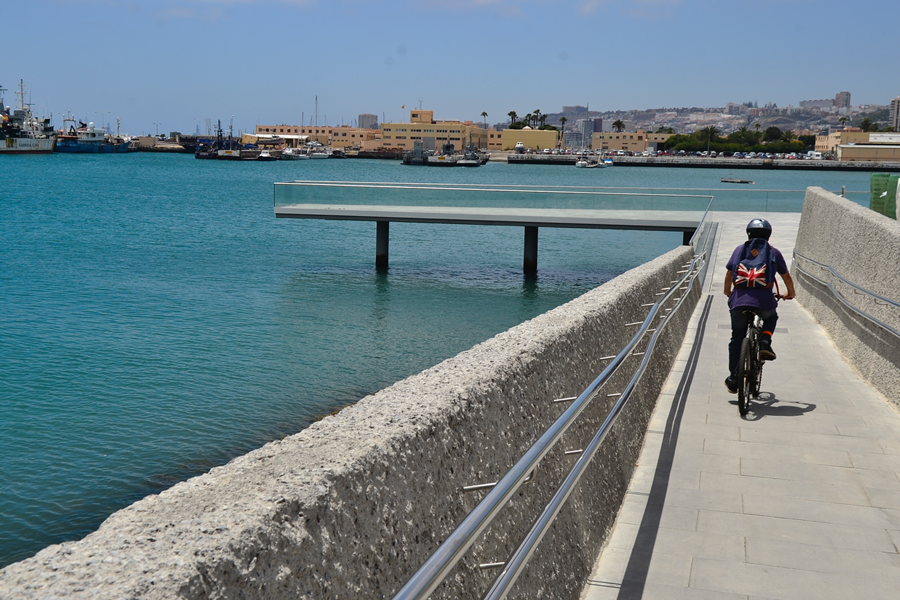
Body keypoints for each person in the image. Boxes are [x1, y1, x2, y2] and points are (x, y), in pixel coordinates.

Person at [724, 218, 796, 394]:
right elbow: (786, 277)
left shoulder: (739, 250)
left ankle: (734, 377)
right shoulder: (774, 252)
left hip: (739, 301)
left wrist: (728, 292)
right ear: (768, 235)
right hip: (764, 300)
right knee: (771, 317)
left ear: (748, 233)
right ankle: (765, 341)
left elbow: (728, 274)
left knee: (736, 339)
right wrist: (790, 293)